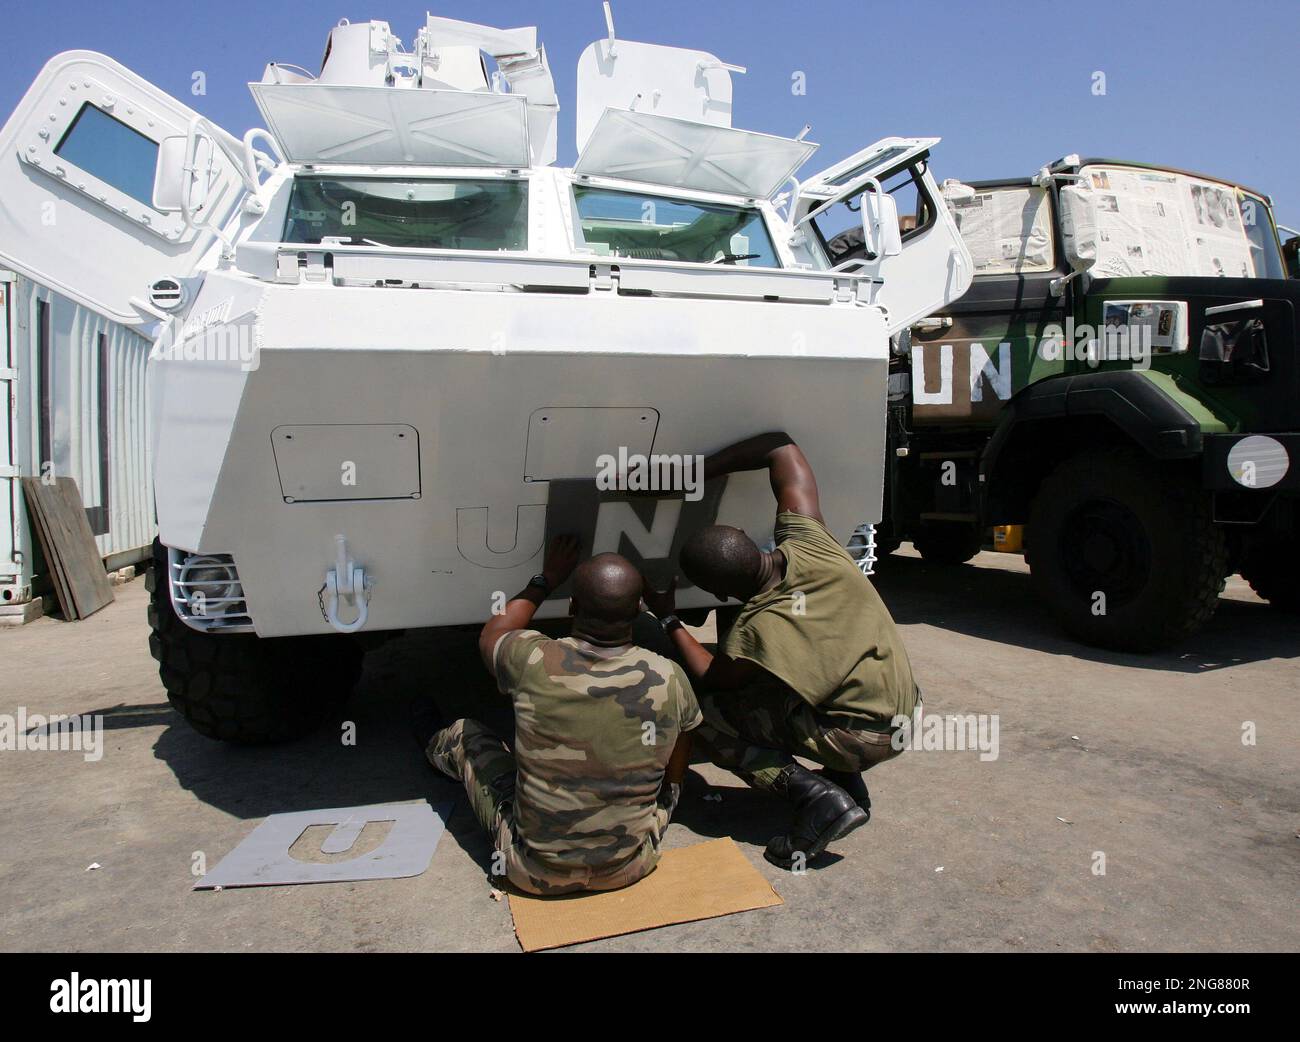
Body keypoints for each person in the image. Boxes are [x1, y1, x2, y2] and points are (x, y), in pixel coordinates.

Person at [642, 432, 920, 869]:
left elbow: (715, 679)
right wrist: (692, 473)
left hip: (863, 735)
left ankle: (818, 801)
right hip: (902, 710)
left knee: (710, 716)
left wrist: (668, 619)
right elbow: (780, 447)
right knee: (805, 681)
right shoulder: (813, 543)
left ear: (718, 591)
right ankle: (847, 781)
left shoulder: (757, 630)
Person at [419, 536, 701, 895]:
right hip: (630, 866)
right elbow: (679, 756)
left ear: (572, 607)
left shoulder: (531, 660)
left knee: (463, 733)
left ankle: (430, 744)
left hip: (533, 871)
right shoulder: (669, 677)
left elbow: (495, 633)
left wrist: (545, 579)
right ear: (637, 611)